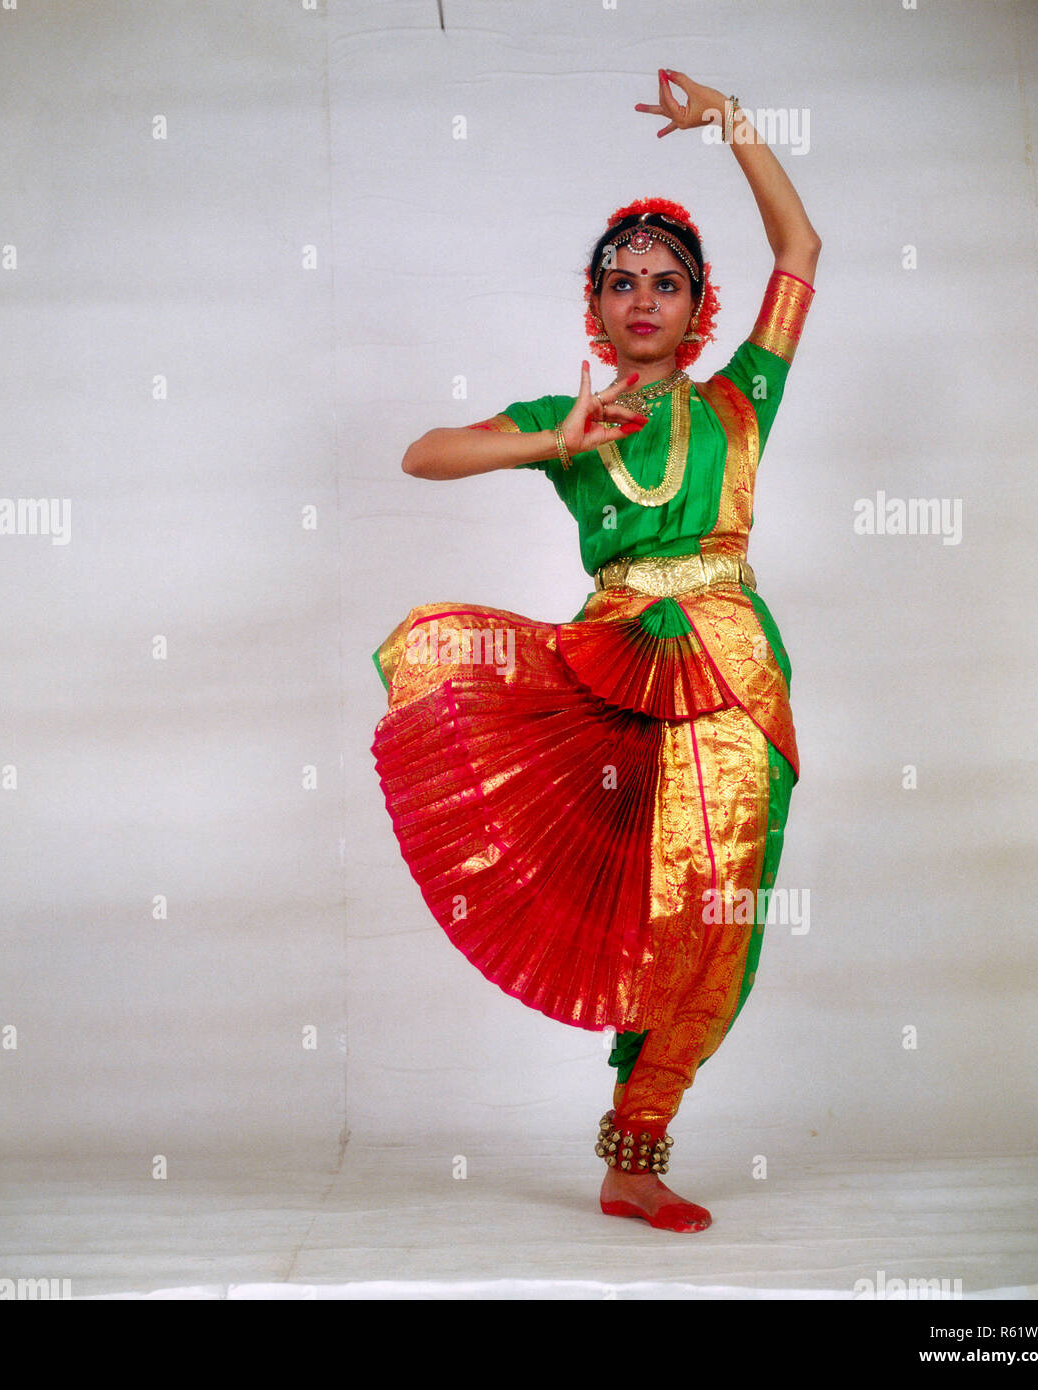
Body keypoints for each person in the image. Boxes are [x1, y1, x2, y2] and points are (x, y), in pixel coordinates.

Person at [370, 70, 820, 1232]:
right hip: (611, 680)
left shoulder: (740, 402)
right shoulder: (567, 420)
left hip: (734, 675)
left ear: (700, 308)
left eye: (666, 283)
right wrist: (548, 437)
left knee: (721, 922)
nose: (643, 299)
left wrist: (730, 125)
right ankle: (629, 1146)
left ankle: (637, 1149)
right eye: (621, 282)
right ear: (595, 305)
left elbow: (802, 247)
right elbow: (420, 453)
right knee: (639, 911)